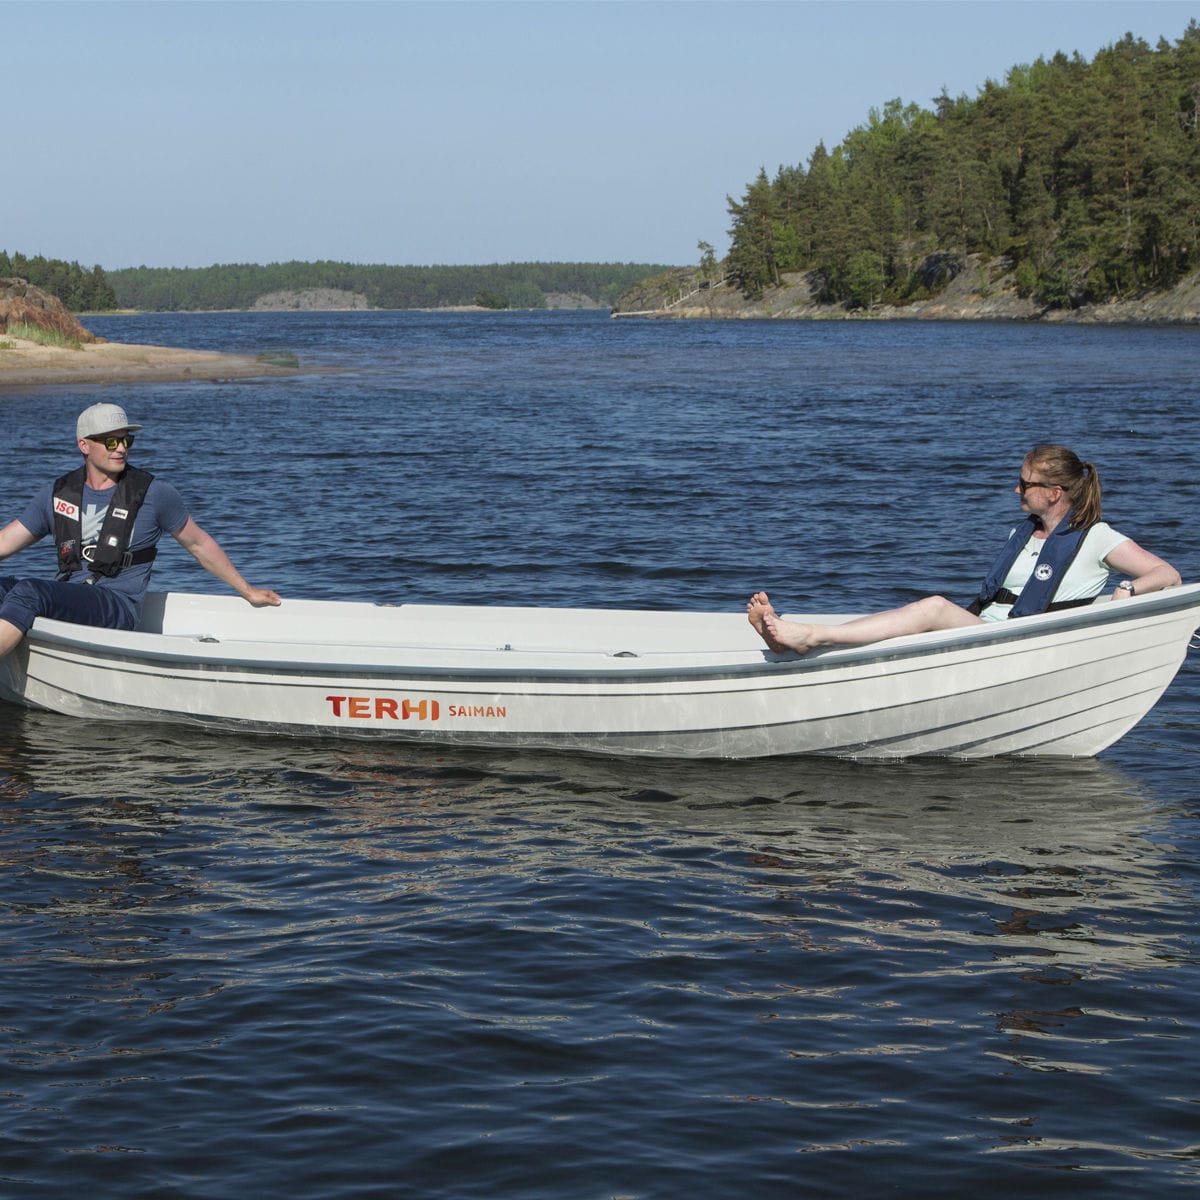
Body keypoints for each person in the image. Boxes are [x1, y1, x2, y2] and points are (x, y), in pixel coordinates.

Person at [748, 444, 1182, 655]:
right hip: (988, 632)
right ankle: (800, 644)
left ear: (1053, 493)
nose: (1017, 489)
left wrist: (1128, 591)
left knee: (934, 607)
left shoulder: (1096, 536)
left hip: (1025, 642)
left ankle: (811, 636)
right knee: (907, 622)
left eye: (1026, 484)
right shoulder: (1026, 531)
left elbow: (1167, 575)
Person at [0, 402, 281, 660]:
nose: (120, 448)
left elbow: (199, 544)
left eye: (126, 440)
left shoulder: (154, 493)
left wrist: (247, 590)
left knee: (29, 591)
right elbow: (5, 543)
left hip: (116, 606)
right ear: (84, 445)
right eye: (111, 441)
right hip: (69, 595)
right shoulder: (59, 494)